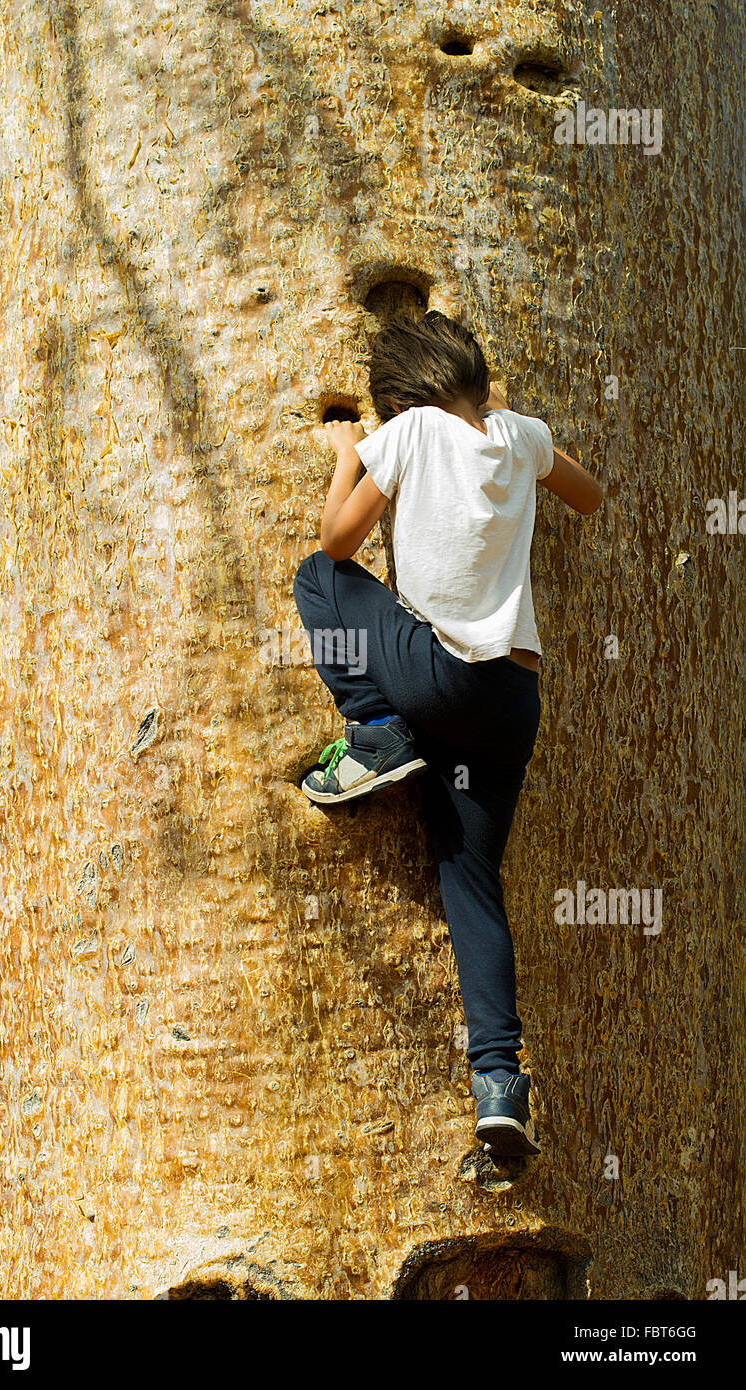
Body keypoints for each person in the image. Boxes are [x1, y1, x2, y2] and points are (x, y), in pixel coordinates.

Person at [291, 310, 603, 1156]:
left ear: (399, 401)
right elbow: (589, 494)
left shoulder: (411, 430)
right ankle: (499, 1087)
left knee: (316, 580)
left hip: (436, 677)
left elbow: (338, 541)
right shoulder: (522, 435)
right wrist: (518, 446)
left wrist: (349, 453)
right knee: (469, 879)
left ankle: (374, 729)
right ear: (481, 384)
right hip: (512, 701)